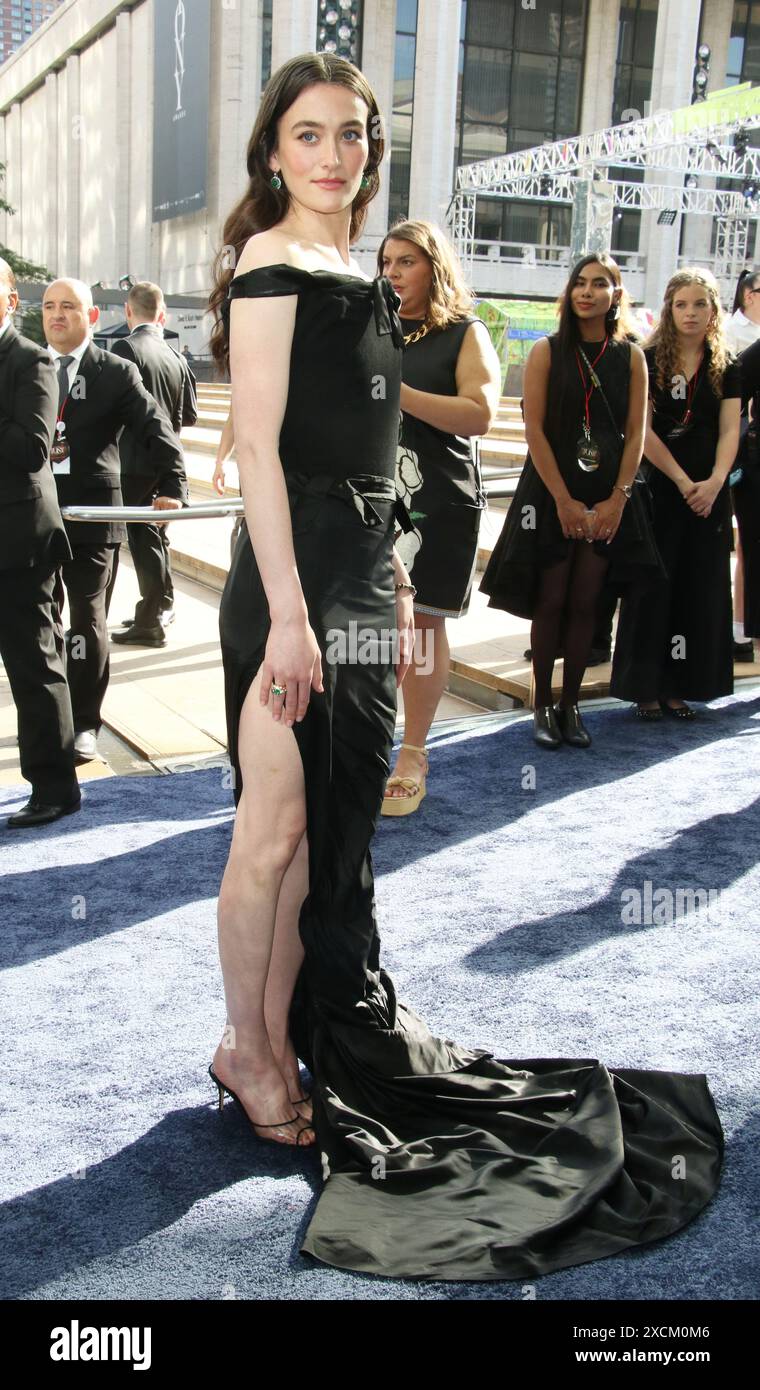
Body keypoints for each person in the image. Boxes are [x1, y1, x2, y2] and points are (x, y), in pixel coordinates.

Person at [206, 52, 721, 1282]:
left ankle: (275, 1036)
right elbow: (263, 456)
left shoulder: (350, 268)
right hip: (291, 589)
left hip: (358, 578)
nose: (334, 155)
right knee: (271, 833)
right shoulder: (273, 265)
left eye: (353, 136)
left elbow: (367, 439)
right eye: (310, 135)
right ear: (273, 150)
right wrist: (288, 612)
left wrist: (381, 570)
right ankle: (250, 1051)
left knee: (328, 831)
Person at [481, 255, 661, 749]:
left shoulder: (631, 356)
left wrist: (617, 500)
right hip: (550, 490)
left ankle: (571, 704)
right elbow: (534, 431)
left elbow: (635, 436)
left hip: (608, 494)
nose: (586, 291)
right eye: (579, 283)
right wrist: (560, 499)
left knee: (588, 602)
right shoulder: (547, 350)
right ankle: (541, 705)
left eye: (599, 283)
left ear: (616, 295)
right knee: (552, 600)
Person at [376, 220, 501, 815]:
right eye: (387, 261)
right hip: (366, 499)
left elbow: (480, 414)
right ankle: (365, 743)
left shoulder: (462, 332)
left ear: (434, 267)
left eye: (406, 261)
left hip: (434, 505)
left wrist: (397, 389)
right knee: (363, 627)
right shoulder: (369, 327)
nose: (394, 273)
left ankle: (414, 751)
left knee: (422, 629)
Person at [42, 279, 188, 763]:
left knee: (87, 619)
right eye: (49, 307)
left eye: (68, 307)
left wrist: (173, 486)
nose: (57, 315)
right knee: (38, 620)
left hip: (93, 514)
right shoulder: (25, 366)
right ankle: (49, 715)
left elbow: (155, 425)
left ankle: (85, 723)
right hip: (34, 512)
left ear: (90, 314)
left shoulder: (115, 371)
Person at [611, 268, 739, 719]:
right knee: (653, 588)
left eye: (700, 304)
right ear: (668, 309)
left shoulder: (727, 364)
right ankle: (647, 687)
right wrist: (685, 483)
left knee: (698, 586)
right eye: (681, 304)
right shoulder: (644, 358)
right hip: (660, 489)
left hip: (710, 492)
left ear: (714, 310)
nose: (691, 313)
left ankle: (682, 685)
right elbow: (640, 431)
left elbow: (730, 429)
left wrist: (715, 482)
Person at [0, 260, 80, 829]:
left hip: (18, 545)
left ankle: (55, 787)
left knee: (34, 667)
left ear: (9, 303)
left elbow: (32, 448)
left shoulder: (32, 361)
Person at [109, 282, 198, 645]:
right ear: (163, 315)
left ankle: (151, 618)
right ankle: (159, 606)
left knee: (143, 538)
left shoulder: (125, 348)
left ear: (129, 312)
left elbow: (116, 408)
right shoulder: (176, 356)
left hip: (133, 459)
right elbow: (189, 414)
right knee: (155, 536)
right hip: (167, 458)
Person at [724, 269, 760, 662]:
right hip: (751, 463)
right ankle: (740, 631)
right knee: (749, 548)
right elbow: (732, 403)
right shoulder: (744, 343)